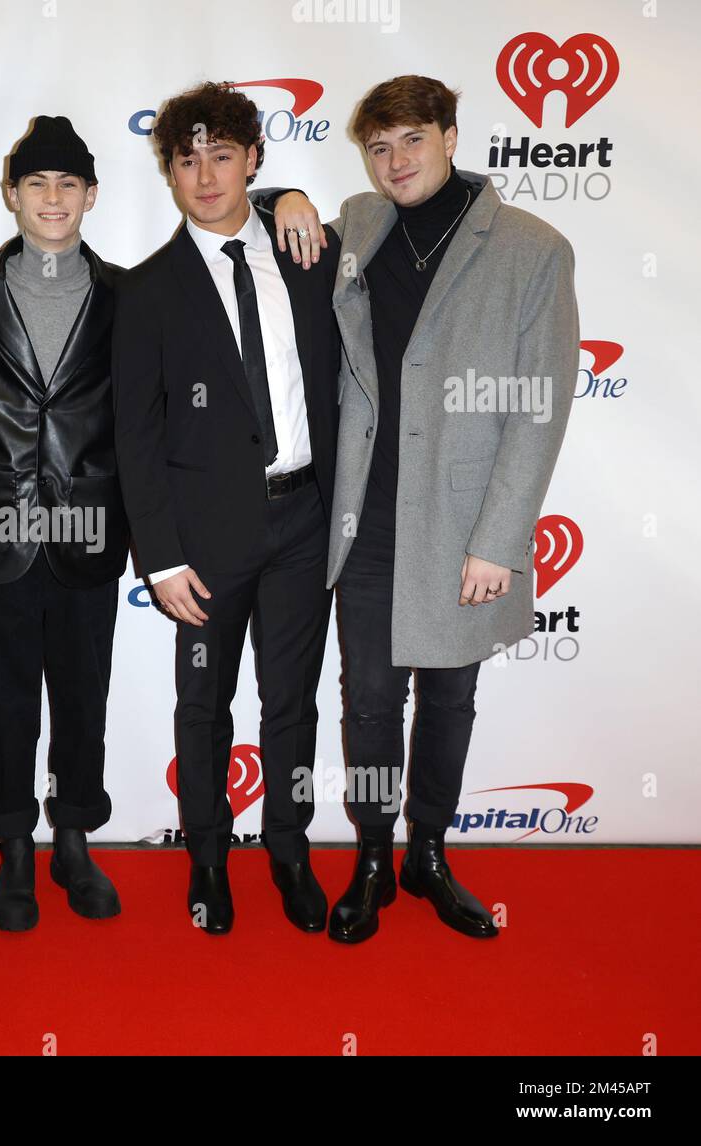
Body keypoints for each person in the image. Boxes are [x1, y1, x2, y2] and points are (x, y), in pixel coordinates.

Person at [261, 75, 578, 942]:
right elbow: (243, 214)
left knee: (450, 701)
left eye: (411, 140)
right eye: (378, 145)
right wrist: (281, 191)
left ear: (448, 134)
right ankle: (371, 856)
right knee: (367, 700)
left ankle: (427, 851)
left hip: (464, 528)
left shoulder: (532, 248)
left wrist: (500, 542)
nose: (395, 161)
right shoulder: (359, 223)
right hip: (364, 519)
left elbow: (539, 409)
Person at [113, 82, 341, 936]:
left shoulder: (309, 251)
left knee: (292, 700)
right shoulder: (147, 291)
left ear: (253, 158)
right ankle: (207, 858)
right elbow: (134, 437)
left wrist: (296, 199)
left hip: (304, 521)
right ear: (168, 171)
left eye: (221, 155)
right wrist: (164, 557)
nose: (205, 177)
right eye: (186, 159)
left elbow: (401, 212)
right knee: (203, 707)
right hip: (205, 543)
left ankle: (289, 849)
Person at [0, 116, 127, 932]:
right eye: (36, 185)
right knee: (3, 701)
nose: (52, 199)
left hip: (91, 533)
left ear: (91, 196)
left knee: (83, 698)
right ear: (13, 195)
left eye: (68, 185)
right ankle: (14, 843)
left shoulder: (132, 294)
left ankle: (74, 837)